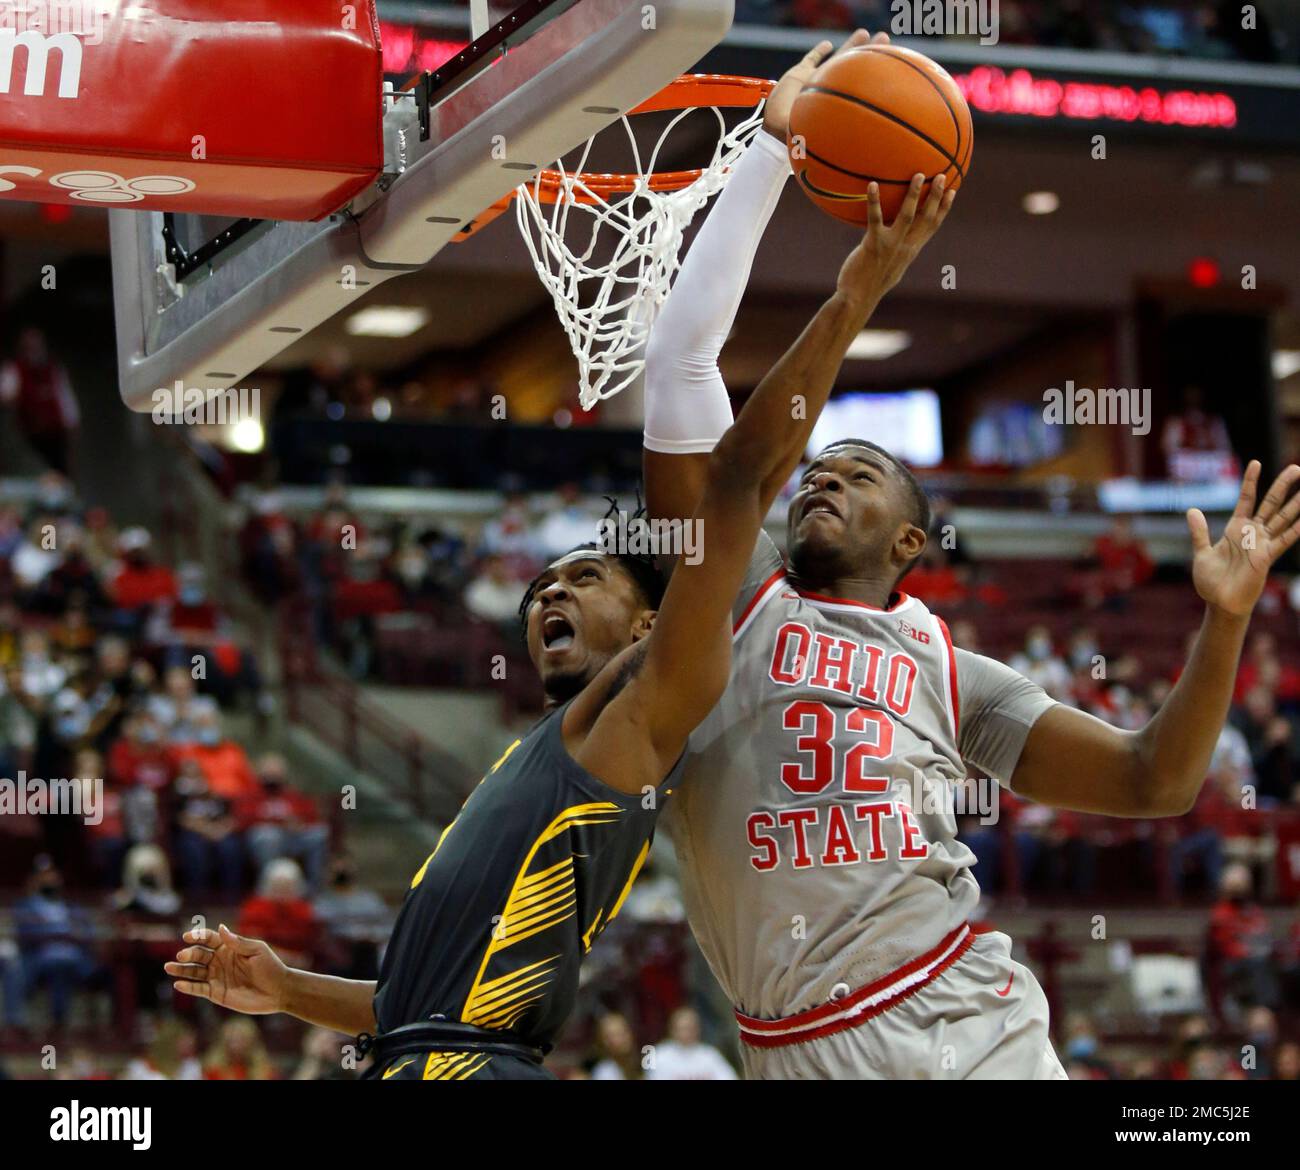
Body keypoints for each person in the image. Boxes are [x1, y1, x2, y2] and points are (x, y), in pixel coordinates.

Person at [162, 59, 956, 1080]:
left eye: (583, 578)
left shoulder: (652, 695)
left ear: (646, 625)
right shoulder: (547, 751)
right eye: (543, 585)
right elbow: (425, 1007)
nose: (549, 592)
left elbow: (721, 441)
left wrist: (852, 283)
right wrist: (284, 989)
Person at [640, 28, 1300, 1080]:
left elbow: (1152, 779)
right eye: (817, 465)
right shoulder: (731, 598)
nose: (822, 476)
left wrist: (1224, 617)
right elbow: (682, 374)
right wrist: (776, 160)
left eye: (857, 472)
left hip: (955, 1009)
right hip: (790, 1043)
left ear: (910, 539)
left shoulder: (951, 674)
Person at [645, 1006, 737, 1080]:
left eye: (690, 1028)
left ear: (698, 1029)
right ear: (672, 1029)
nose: (686, 1033)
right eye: (682, 1028)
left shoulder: (710, 1054)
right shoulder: (659, 1055)